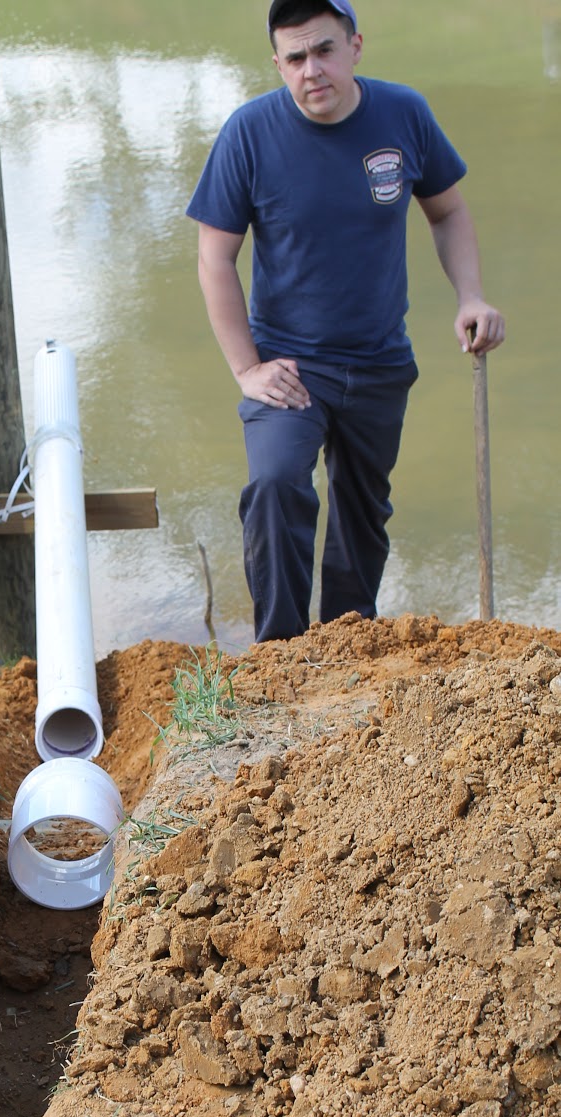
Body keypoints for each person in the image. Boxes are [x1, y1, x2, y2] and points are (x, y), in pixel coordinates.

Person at [187, 0, 506, 642]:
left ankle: (347, 645)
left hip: (380, 361)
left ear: (355, 46)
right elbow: (214, 257)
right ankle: (278, 655)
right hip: (288, 367)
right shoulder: (249, 132)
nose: (313, 71)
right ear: (277, 62)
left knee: (363, 513)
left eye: (325, 50)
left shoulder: (403, 114)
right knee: (276, 487)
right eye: (296, 57)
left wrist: (470, 296)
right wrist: (246, 368)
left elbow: (446, 212)